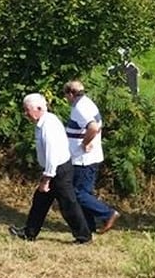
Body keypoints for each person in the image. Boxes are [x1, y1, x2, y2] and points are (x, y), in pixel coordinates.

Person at [8, 93, 92, 244]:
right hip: (54, 168)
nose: (25, 114)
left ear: (39, 108)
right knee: (40, 201)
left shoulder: (48, 126)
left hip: (58, 170)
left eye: (27, 110)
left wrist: (47, 179)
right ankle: (29, 233)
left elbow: (52, 155)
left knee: (68, 205)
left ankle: (84, 237)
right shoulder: (43, 122)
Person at [63, 81, 120, 235]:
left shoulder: (80, 108)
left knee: (77, 194)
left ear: (70, 94)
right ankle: (88, 225)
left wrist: (84, 143)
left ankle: (107, 213)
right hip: (88, 158)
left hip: (83, 159)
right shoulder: (87, 103)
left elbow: (93, 127)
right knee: (84, 193)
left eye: (66, 95)